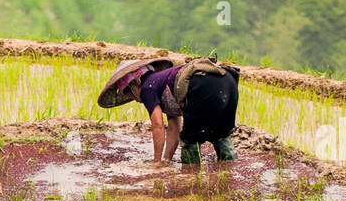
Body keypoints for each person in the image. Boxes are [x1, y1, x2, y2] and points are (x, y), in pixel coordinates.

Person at [98, 58, 240, 167]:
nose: (134, 99)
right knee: (220, 135)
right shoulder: (163, 83)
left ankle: (191, 182)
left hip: (204, 87)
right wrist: (166, 160)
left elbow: (158, 126)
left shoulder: (148, 88)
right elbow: (173, 128)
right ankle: (230, 172)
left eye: (129, 94)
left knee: (190, 140)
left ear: (134, 85)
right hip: (228, 82)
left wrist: (156, 162)